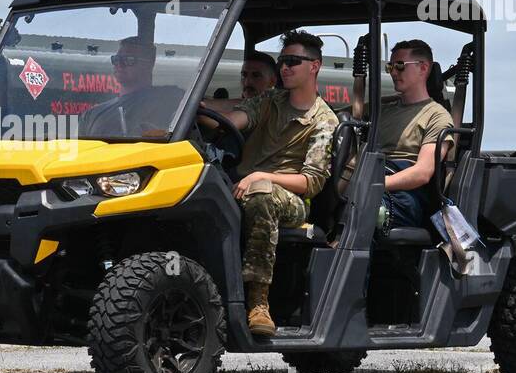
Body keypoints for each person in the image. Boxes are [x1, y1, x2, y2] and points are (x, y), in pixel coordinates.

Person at [204, 30, 338, 336]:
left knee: (263, 194)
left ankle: (257, 302)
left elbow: (311, 182)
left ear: (314, 66)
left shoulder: (324, 120)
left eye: (293, 61)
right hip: (245, 185)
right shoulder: (270, 101)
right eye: (282, 62)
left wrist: (263, 175)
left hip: (291, 199)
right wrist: (192, 108)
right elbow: (232, 120)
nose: (285, 68)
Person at [370, 39, 455, 228]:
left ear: (423, 68)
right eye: (390, 66)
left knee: (368, 211)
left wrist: (375, 184)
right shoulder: (382, 110)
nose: (393, 72)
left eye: (400, 66)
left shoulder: (436, 116)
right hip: (372, 181)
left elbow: (422, 173)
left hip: (404, 197)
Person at [79, 37, 184, 138]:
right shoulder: (92, 115)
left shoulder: (174, 100)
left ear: (149, 64)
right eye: (116, 59)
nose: (119, 65)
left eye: (128, 60)